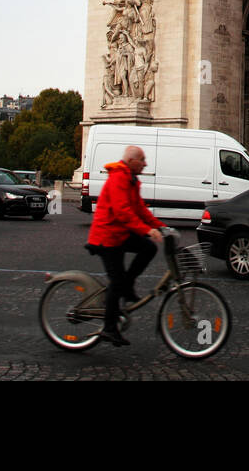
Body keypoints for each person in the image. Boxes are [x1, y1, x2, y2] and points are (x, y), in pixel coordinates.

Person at [85, 145, 166, 347]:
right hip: (107, 237)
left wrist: (161, 227)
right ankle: (109, 328)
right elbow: (123, 213)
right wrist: (147, 230)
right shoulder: (118, 178)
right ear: (131, 161)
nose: (146, 164)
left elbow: (139, 208)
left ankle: (128, 286)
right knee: (116, 282)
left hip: (119, 235)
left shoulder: (131, 179)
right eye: (142, 159)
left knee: (149, 248)